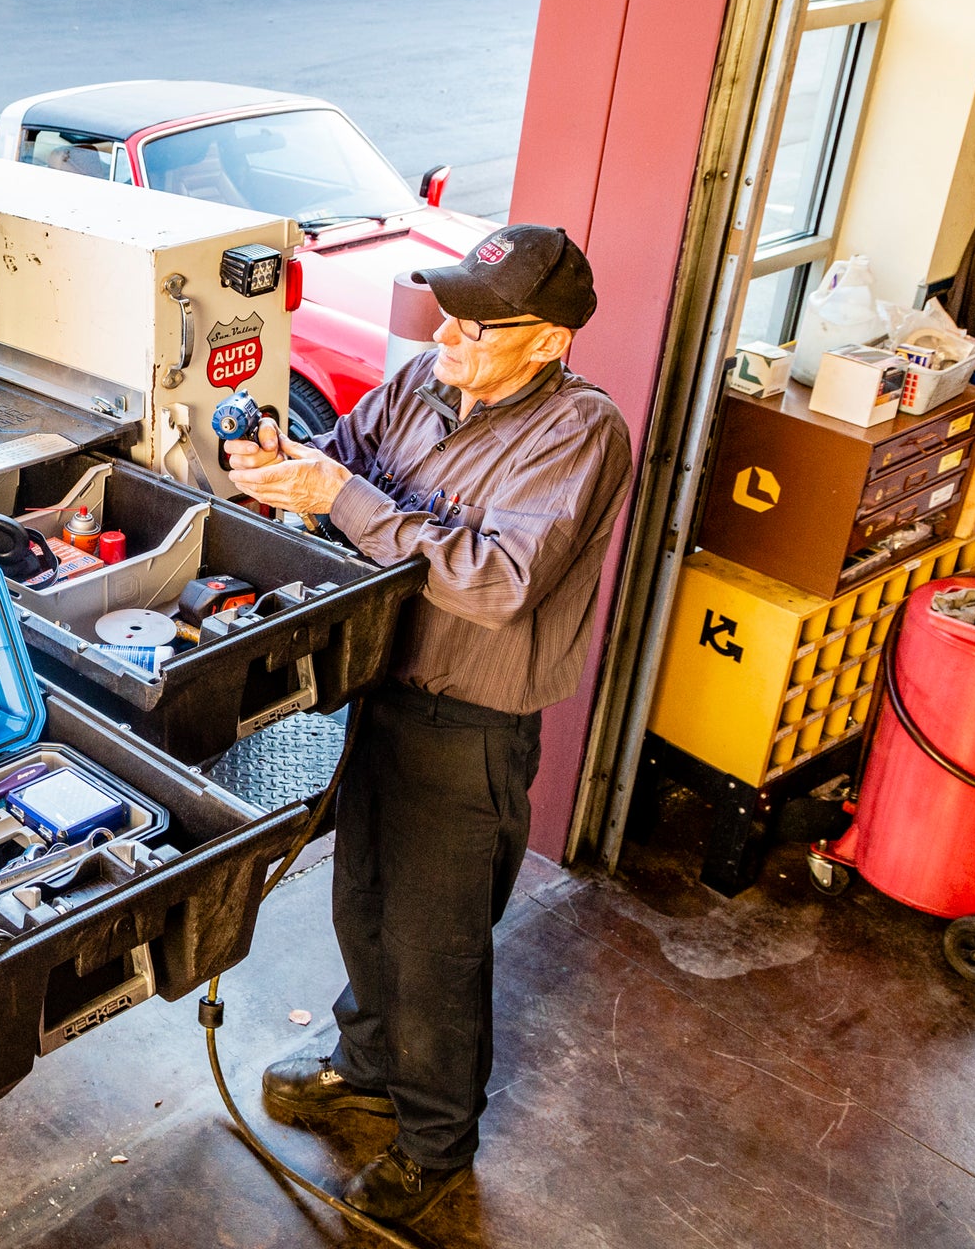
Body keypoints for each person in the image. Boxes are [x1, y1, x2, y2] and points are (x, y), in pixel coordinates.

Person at [227, 222, 633, 1224]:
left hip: (472, 718)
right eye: (448, 314)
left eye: (480, 327)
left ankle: (437, 1143)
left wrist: (346, 497)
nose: (448, 338)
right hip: (381, 682)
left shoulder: (581, 432)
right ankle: (365, 1065)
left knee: (437, 945)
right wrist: (293, 467)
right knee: (362, 897)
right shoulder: (422, 380)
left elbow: (496, 582)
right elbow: (347, 462)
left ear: (548, 341)